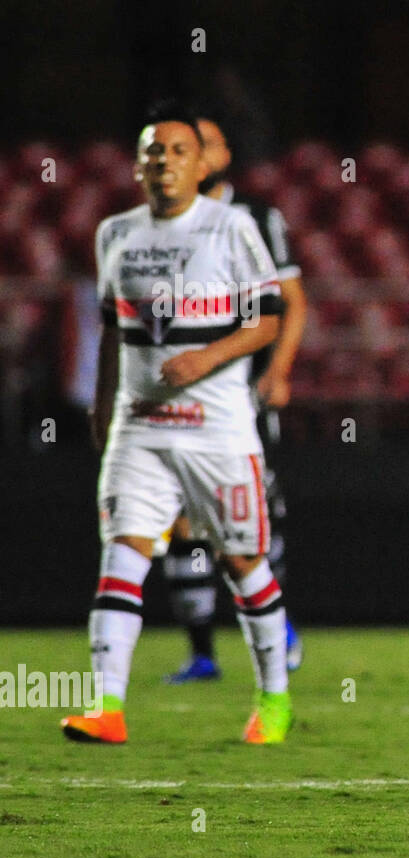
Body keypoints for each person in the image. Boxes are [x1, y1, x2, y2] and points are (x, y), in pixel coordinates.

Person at [61, 100, 293, 744]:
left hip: (217, 430)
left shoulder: (232, 228)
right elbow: (111, 333)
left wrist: (209, 358)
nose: (163, 161)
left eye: (177, 151)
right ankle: (107, 707)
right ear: (138, 167)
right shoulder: (115, 234)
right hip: (140, 428)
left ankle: (273, 701)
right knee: (124, 554)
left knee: (243, 561)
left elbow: (268, 319)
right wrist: (102, 404)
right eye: (152, 152)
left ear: (200, 165)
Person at [161, 112, 308, 683]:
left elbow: (291, 300)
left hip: (237, 392)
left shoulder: (254, 217)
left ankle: (278, 627)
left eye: (202, 145)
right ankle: (202, 652)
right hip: (177, 394)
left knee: (249, 517)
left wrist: (279, 372)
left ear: (217, 158)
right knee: (181, 520)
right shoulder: (153, 222)